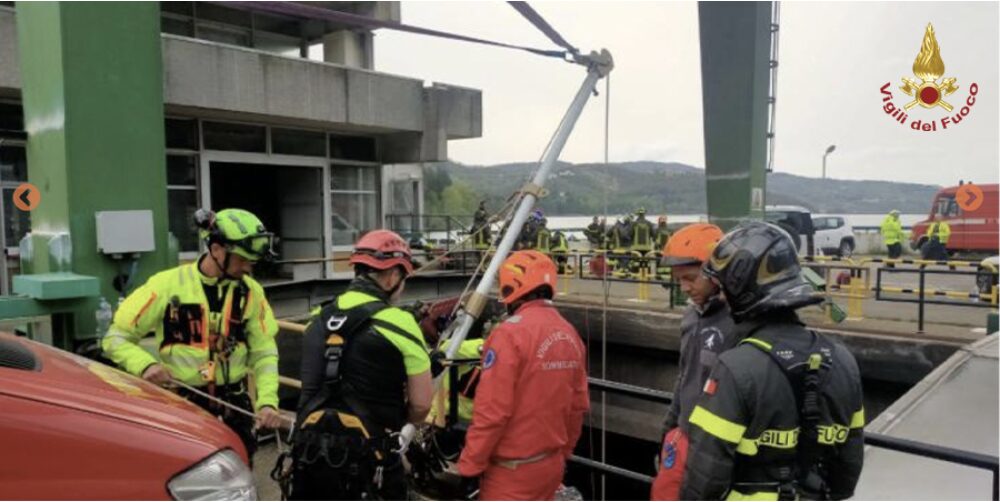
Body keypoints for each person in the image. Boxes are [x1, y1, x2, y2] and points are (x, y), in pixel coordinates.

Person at [682, 221, 865, 500]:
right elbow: (847, 474)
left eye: (724, 288)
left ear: (741, 288)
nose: (723, 297)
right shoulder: (843, 361)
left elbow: (705, 479)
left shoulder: (735, 368)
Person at [102, 208, 283, 459]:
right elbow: (115, 338)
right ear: (216, 249)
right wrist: (145, 365)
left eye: (251, 262)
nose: (248, 268)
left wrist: (267, 402)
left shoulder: (251, 293)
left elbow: (265, 353)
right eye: (242, 259)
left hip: (234, 406)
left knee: (239, 471)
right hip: (181, 405)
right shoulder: (166, 285)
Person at [292, 229, 433, 500]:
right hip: (370, 461)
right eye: (403, 278)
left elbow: (311, 383)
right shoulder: (401, 323)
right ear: (392, 275)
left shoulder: (317, 318)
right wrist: (404, 425)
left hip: (309, 454)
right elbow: (421, 405)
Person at [457, 251, 589, 500]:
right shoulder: (569, 333)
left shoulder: (509, 335)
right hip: (550, 466)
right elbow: (577, 405)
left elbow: (492, 412)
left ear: (512, 288)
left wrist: (470, 468)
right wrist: (563, 455)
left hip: (510, 473)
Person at [650, 224, 735, 500]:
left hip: (714, 447)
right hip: (684, 436)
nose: (684, 288)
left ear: (716, 272)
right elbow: (685, 376)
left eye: (690, 278)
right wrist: (669, 429)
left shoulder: (738, 323)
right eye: (679, 280)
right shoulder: (692, 317)